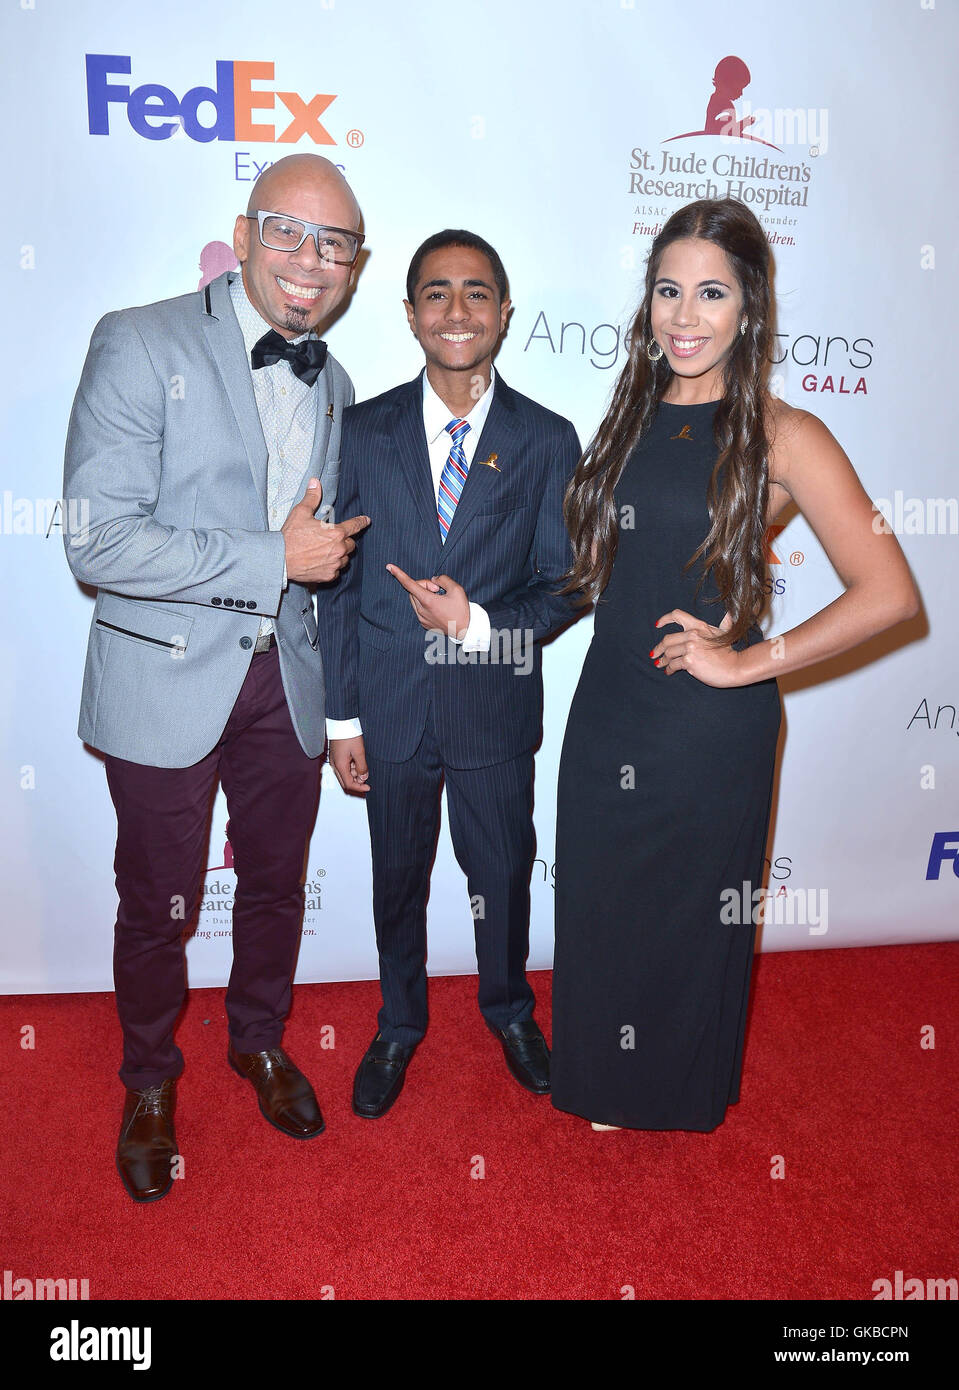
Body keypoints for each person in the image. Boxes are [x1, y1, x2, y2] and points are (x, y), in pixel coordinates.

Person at [551, 198, 918, 1133]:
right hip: (608, 706)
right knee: (602, 897)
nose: (684, 315)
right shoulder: (630, 410)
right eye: (667, 291)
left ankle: (669, 1090)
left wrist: (752, 660)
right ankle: (602, 1079)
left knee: (683, 915)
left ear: (749, 306)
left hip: (706, 727)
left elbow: (887, 591)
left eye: (710, 293)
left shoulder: (783, 433)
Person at [62, 154, 370, 1201]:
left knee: (277, 885)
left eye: (334, 245)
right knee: (158, 902)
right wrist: (265, 562)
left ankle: (258, 1041)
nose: (309, 260)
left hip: (285, 685)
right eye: (287, 232)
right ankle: (150, 1079)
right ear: (241, 237)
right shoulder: (140, 340)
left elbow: (323, 567)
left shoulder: (335, 383)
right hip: (165, 677)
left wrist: (341, 708)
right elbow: (97, 541)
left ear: (352, 269)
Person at [322, 230, 581, 1117]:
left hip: (491, 707)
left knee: (502, 872)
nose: (457, 310)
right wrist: (340, 717)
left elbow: (565, 585)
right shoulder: (361, 431)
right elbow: (339, 587)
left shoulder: (545, 438)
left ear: (505, 313)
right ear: (408, 315)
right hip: (388, 710)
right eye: (436, 293)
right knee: (395, 875)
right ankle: (398, 1023)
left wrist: (475, 623)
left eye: (476, 292)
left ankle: (509, 1009)